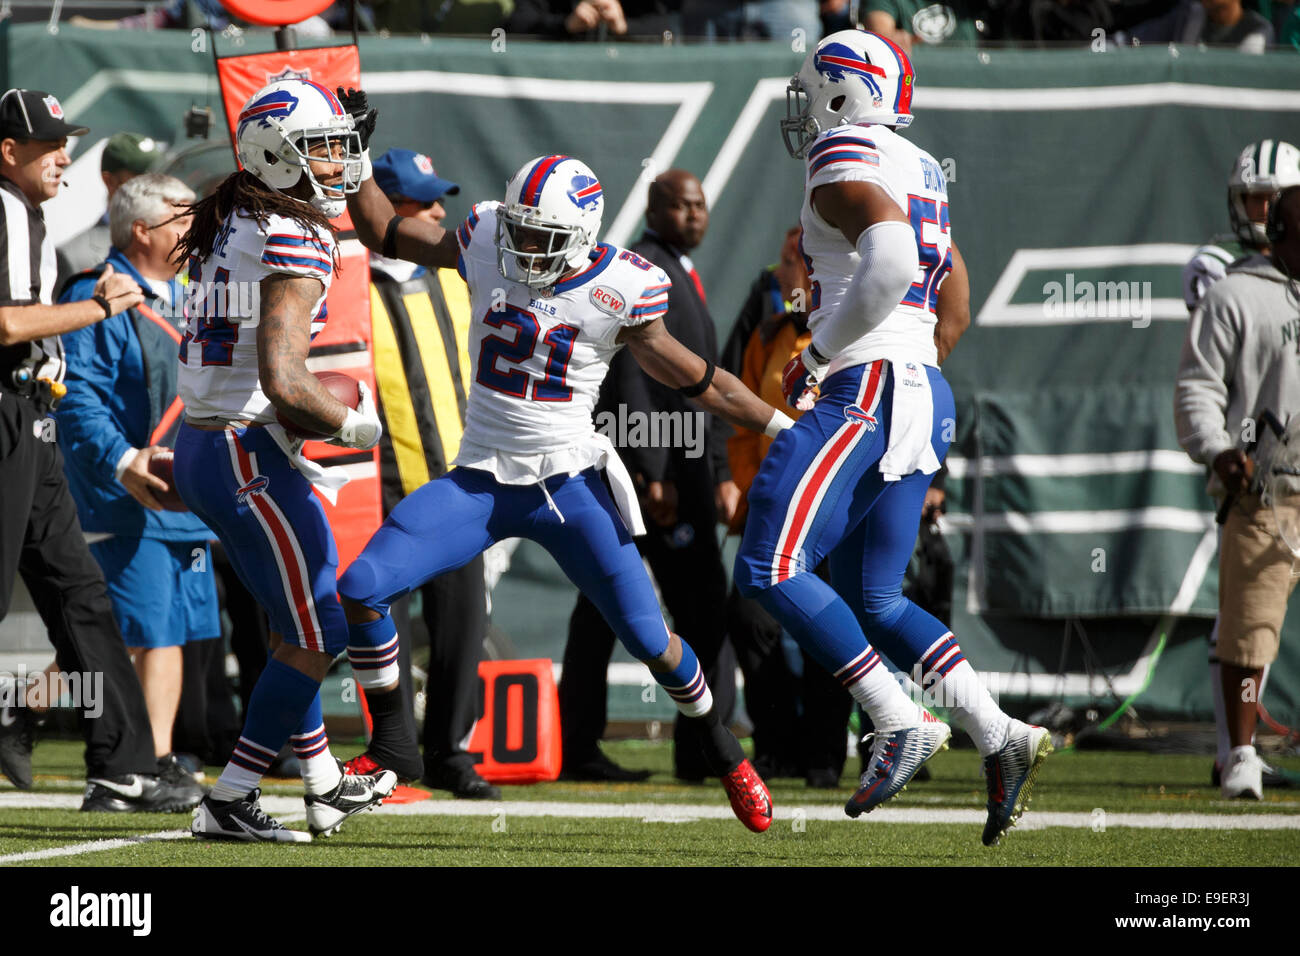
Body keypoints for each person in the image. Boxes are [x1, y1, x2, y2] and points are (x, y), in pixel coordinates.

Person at [337, 86, 789, 832]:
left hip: (568, 482)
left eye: (542, 236)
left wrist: (779, 424)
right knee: (361, 586)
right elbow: (386, 232)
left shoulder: (621, 287)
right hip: (481, 479)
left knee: (651, 639)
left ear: (581, 237)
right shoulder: (484, 237)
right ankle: (395, 751)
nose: (524, 248)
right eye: (519, 230)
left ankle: (719, 744)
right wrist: (354, 160)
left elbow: (697, 378)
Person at [737, 30, 1049, 846]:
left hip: (868, 386)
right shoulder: (919, 165)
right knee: (874, 596)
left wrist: (825, 350)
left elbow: (891, 261)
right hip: (920, 389)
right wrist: (911, 357)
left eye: (813, 89)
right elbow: (955, 290)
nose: (804, 107)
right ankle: (999, 733)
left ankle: (894, 718)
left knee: (768, 567)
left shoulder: (843, 149)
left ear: (844, 90)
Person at [177, 78, 399, 842]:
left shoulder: (238, 204)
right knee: (321, 630)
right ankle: (231, 796)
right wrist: (356, 427)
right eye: (324, 149)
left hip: (208, 446)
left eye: (342, 146)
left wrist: (332, 135)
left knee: (294, 621)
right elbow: (286, 378)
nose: (341, 163)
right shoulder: (291, 232)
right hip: (246, 452)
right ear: (276, 155)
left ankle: (322, 781)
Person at [0, 87, 200, 812]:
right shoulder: (6, 212)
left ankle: (126, 763)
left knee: (86, 599)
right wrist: (95, 308)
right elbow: (3, 323)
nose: (65, 157)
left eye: (67, 142)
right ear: (8, 150)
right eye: (52, 145)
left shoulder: (32, 216)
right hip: (16, 423)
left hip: (33, 419)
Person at [560, 169, 738, 783]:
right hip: (655, 478)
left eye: (701, 204)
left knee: (609, 608)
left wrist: (713, 469)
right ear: (656, 210)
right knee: (685, 610)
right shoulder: (647, 268)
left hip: (674, 470)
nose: (695, 215)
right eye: (681, 205)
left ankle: (601, 748)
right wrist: (653, 472)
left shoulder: (677, 269)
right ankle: (698, 754)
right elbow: (634, 375)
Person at [57, 172, 220, 776]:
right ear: (141, 229)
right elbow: (78, 397)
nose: (193, 227)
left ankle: (154, 758)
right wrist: (123, 462)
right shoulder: (93, 293)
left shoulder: (197, 292)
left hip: (188, 499)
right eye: (181, 218)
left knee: (173, 631)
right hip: (126, 493)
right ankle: (117, 763)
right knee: (135, 631)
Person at [357, 146, 499, 800]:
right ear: (383, 207)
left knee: (462, 626)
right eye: (421, 201)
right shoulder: (349, 282)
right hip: (378, 484)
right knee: (371, 622)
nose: (439, 211)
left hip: (455, 482)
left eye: (439, 198)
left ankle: (449, 750)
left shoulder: (454, 273)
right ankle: (387, 751)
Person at [1175, 185, 1300, 800]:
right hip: (1267, 488)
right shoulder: (1233, 295)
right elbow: (1200, 385)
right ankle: (1242, 753)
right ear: (1280, 237)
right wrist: (1219, 449)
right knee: (1249, 634)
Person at [56, 131, 163, 291]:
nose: (156, 186)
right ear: (110, 181)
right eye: (142, 178)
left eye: (159, 176)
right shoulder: (73, 256)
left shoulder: (174, 243)